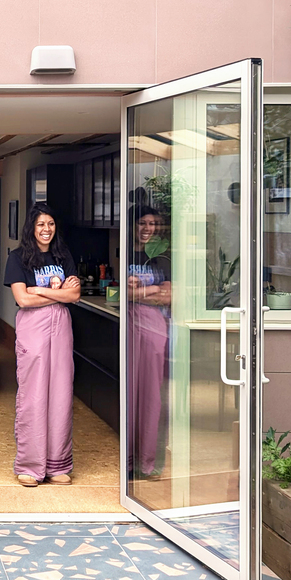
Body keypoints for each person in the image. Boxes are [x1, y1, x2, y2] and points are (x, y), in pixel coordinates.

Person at [4, 202, 81, 487]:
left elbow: (75, 296)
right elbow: (23, 300)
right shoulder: (18, 258)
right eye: (40, 225)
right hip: (32, 328)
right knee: (33, 395)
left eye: (50, 224)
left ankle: (56, 464)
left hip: (61, 326)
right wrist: (56, 292)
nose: (46, 229)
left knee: (61, 393)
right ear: (31, 228)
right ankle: (30, 465)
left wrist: (40, 290)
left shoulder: (63, 256)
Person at [126, 205, 172, 479]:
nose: (148, 228)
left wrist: (141, 290)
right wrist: (155, 290)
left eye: (153, 224)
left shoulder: (163, 257)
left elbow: (171, 295)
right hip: (131, 326)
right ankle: (130, 460)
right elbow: (119, 293)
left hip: (156, 328)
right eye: (142, 222)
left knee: (153, 394)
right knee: (131, 392)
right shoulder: (127, 252)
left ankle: (148, 461)